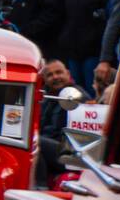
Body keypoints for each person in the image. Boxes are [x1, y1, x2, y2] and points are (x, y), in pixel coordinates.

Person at [57, 0, 114, 95]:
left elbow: (107, 16)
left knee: (92, 89)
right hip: (73, 48)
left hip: (93, 49)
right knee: (75, 90)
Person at [36, 60, 88, 188]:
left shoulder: (77, 96)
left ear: (68, 74)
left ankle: (40, 188)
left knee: (36, 141)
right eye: (50, 75)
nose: (55, 77)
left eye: (59, 72)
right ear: (44, 79)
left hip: (72, 153)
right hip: (51, 149)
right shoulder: (46, 97)